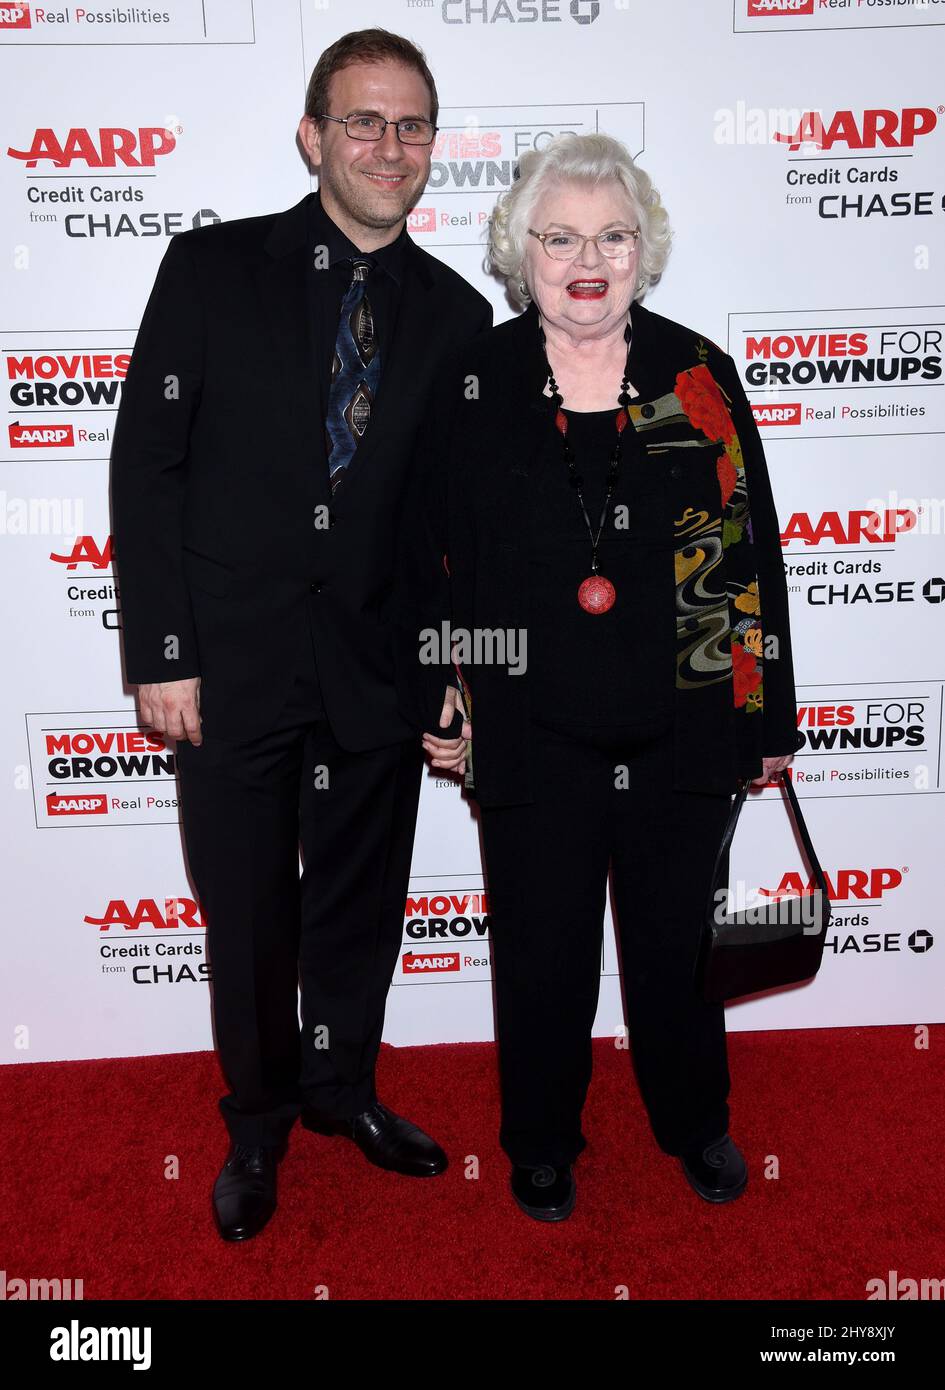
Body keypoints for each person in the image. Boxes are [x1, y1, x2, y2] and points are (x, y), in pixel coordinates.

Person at [110, 28, 490, 1242]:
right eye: (365, 122)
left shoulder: (457, 313)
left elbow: (455, 527)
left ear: (434, 146)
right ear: (314, 136)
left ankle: (343, 1089)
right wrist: (161, 651)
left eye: (412, 124)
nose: (391, 146)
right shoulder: (213, 268)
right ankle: (260, 1121)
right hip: (228, 668)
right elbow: (148, 468)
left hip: (379, 671)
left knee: (361, 905)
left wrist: (455, 676)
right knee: (251, 909)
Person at [407, 132, 805, 1222]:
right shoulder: (480, 382)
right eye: (562, 237)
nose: (590, 259)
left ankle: (695, 1121)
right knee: (541, 954)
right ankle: (540, 1138)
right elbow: (438, 559)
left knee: (680, 948)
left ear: (645, 249)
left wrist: (765, 708)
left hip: (680, 719)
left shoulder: (693, 374)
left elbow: (747, 551)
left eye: (613, 236)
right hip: (530, 722)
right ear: (519, 248)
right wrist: (450, 689)